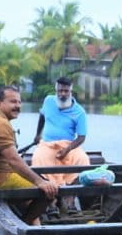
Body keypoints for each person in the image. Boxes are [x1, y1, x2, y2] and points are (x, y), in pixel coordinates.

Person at [0, 85, 58, 225]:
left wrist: (40, 179)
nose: (18, 106)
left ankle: (33, 225)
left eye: (19, 102)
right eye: (13, 102)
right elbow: (13, 160)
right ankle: (24, 226)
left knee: (40, 183)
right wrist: (40, 182)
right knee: (45, 193)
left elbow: (12, 160)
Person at [31, 76, 91, 212]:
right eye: (60, 91)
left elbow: (81, 137)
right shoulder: (48, 100)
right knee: (38, 159)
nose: (62, 94)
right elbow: (42, 116)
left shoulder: (79, 112)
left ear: (71, 91)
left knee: (83, 159)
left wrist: (67, 150)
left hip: (68, 144)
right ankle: (51, 201)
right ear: (56, 90)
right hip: (47, 144)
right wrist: (38, 134)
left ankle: (68, 200)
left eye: (65, 91)